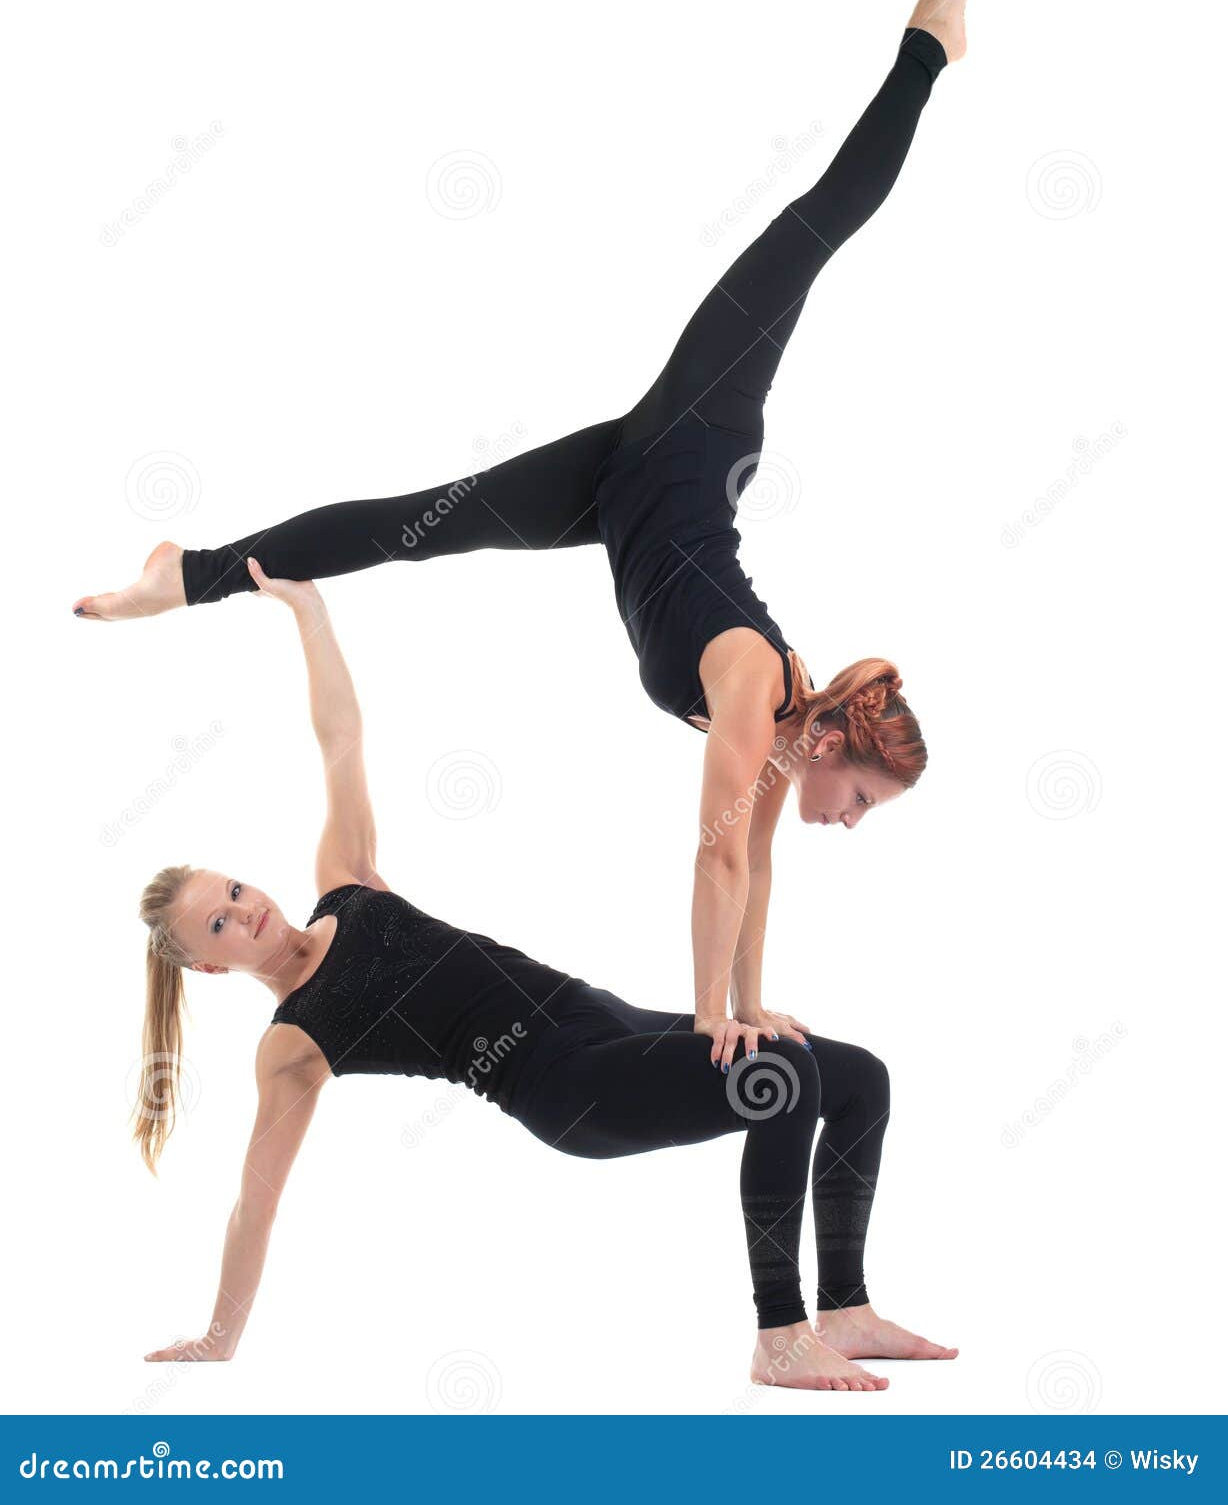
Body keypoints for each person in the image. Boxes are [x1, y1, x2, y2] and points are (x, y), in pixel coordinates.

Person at [81, 0, 975, 1067]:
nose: (848, 818)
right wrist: (709, 1017)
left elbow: (755, 861)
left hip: (621, 486)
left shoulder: (783, 736)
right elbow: (716, 860)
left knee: (404, 526)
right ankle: (929, 49)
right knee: (814, 229)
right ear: (838, 737)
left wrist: (753, 998)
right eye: (861, 796)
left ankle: (190, 570)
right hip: (693, 439)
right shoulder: (755, 683)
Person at [136, 565, 956, 1388]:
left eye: (234, 891)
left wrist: (308, 612)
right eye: (219, 925)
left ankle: (844, 1309)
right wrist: (219, 1336)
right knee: (782, 1075)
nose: (245, 913)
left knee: (858, 1080)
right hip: (568, 1087)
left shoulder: (345, 880)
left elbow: (340, 736)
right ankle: (778, 1332)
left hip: (605, 1018)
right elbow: (255, 1202)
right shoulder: (292, 1043)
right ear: (210, 964)